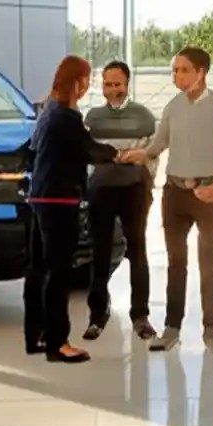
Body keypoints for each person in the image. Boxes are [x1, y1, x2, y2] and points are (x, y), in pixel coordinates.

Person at [120, 47, 213, 353]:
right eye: (174, 70)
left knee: (207, 261)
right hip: (173, 195)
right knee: (176, 262)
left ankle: (210, 328)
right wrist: (136, 154)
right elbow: (158, 145)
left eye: (183, 69)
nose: (177, 75)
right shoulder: (173, 107)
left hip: (206, 194)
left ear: (201, 72)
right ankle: (172, 327)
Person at [24, 55, 118, 364]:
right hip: (60, 201)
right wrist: (119, 154)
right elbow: (89, 149)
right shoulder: (66, 116)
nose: (87, 85)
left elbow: (33, 150)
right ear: (75, 81)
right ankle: (58, 342)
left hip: (39, 198)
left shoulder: (47, 111)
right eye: (86, 79)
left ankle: (36, 334)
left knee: (38, 270)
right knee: (59, 273)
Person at [83, 61, 158, 341]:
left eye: (117, 84)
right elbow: (86, 152)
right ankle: (97, 315)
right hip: (101, 191)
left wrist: (145, 177)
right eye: (107, 84)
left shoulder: (144, 117)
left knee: (137, 250)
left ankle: (140, 316)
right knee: (99, 252)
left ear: (127, 85)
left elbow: (152, 152)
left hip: (134, 190)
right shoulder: (92, 118)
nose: (112, 89)